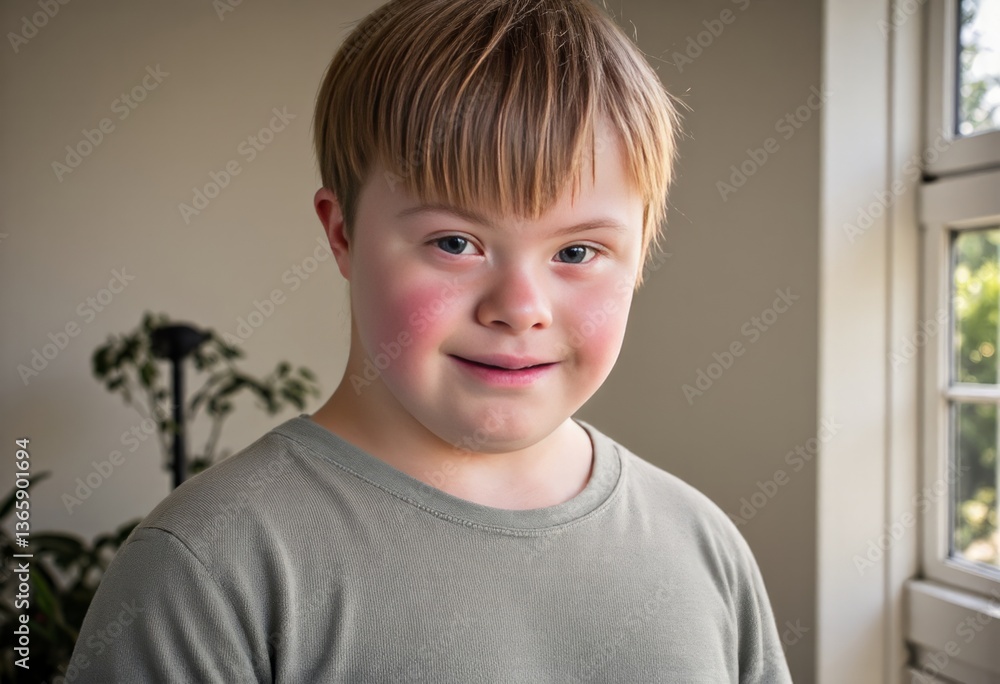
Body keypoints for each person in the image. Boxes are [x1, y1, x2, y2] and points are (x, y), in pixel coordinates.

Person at [69, 0, 794, 681]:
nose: (520, 308)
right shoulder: (208, 566)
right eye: (455, 242)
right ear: (343, 232)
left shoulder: (705, 547)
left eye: (576, 253)